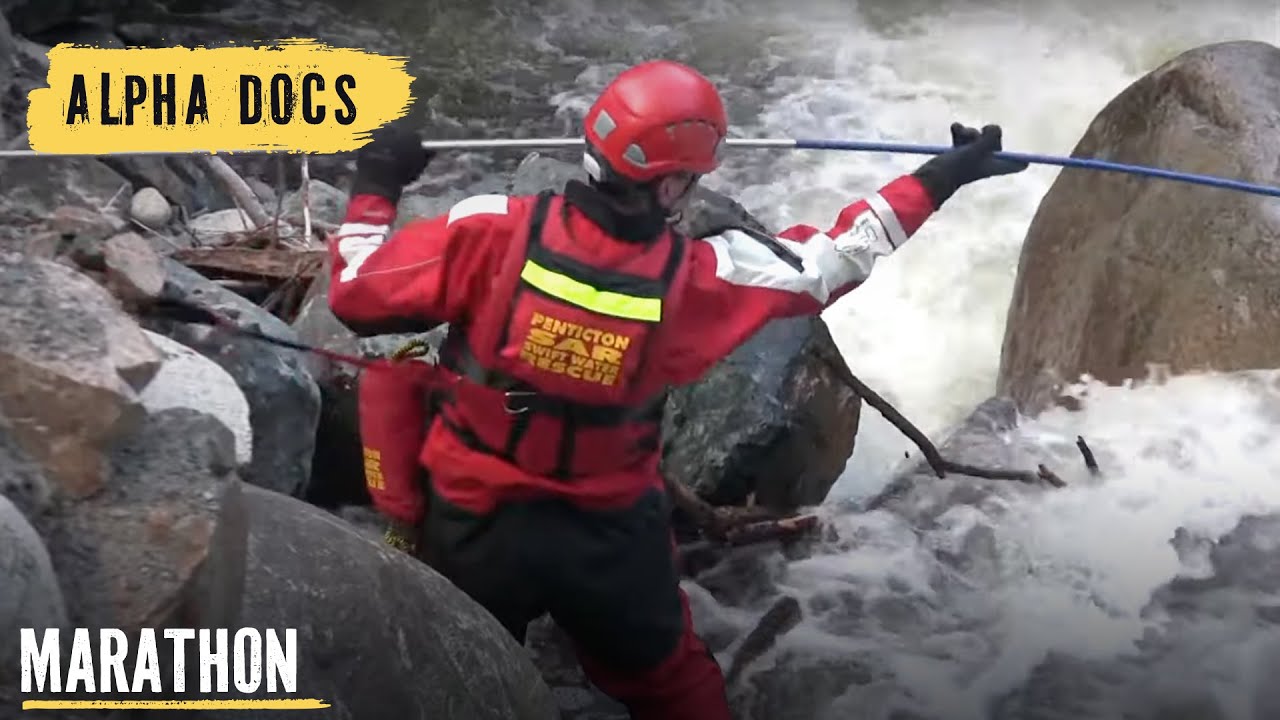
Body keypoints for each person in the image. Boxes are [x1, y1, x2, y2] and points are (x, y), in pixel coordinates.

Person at [327, 59, 1026, 720]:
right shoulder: (700, 280)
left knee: (454, 668)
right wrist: (944, 175)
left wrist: (377, 183)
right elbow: (831, 261)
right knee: (673, 685)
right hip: (609, 537)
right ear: (665, 187)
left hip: (472, 520)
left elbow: (355, 294)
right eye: (689, 180)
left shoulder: (489, 229)